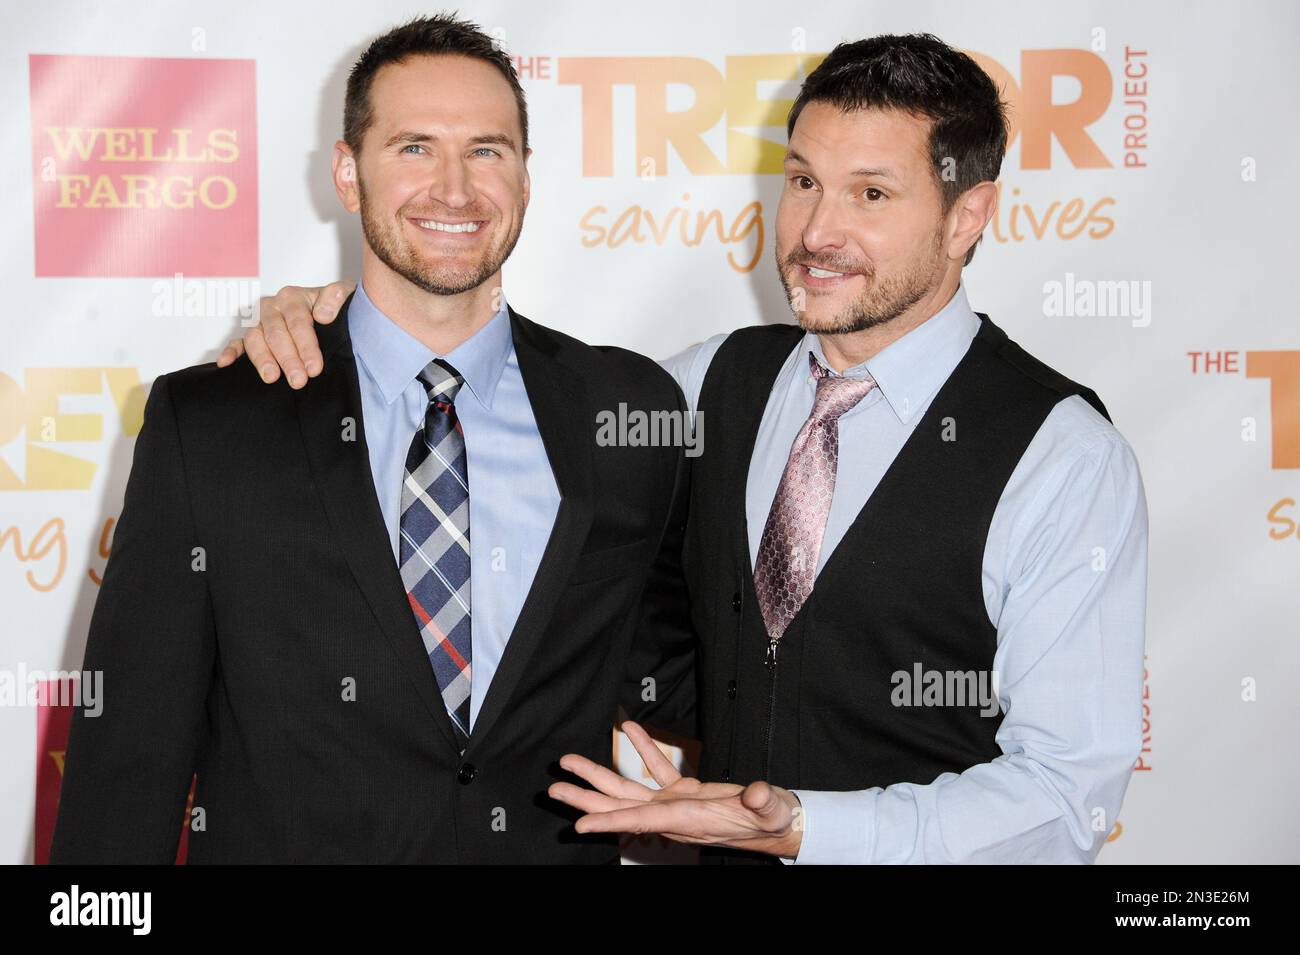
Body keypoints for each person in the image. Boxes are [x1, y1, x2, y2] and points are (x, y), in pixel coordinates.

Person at [224, 34, 1147, 865]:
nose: (817, 233)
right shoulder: (709, 385)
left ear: (966, 216)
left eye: (870, 194)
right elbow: (502, 385)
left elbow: (1067, 800)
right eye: (803, 182)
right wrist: (337, 328)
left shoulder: (1061, 456)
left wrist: (802, 827)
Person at [51, 13, 695, 865]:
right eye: (415, 147)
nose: (455, 189)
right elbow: (127, 765)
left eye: (487, 151)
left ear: (526, 176)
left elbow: (688, 667)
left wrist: (802, 810)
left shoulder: (627, 412)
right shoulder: (211, 425)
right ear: (348, 175)